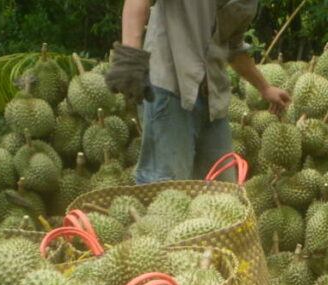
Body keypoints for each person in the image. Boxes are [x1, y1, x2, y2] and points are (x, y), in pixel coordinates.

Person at [105, 0, 291, 184]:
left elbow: (233, 48)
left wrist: (264, 88)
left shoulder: (247, 3)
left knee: (222, 191)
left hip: (212, 98)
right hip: (170, 87)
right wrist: (130, 57)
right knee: (165, 187)